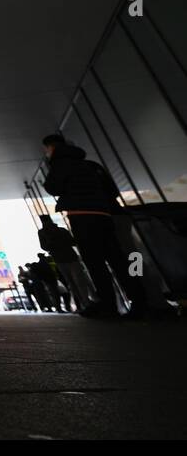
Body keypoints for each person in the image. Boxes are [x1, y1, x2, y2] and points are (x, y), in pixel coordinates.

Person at [41, 134, 147, 318]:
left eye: (47, 149)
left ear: (51, 148)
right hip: (104, 215)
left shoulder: (60, 164)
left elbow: (52, 187)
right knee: (118, 260)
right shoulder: (91, 165)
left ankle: (108, 306)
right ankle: (140, 304)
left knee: (95, 263)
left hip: (81, 216)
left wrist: (51, 165)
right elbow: (112, 190)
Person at [38, 214, 95, 312]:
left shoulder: (48, 232)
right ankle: (85, 302)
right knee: (76, 281)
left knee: (75, 282)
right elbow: (71, 241)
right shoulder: (57, 231)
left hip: (63, 259)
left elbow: (46, 246)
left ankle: (85, 302)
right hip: (66, 258)